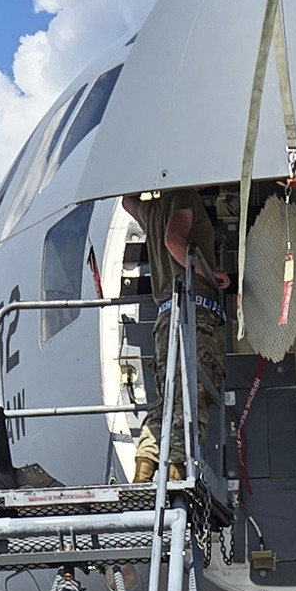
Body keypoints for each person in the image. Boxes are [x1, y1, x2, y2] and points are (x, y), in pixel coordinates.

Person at [121, 188, 230, 484]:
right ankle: (177, 467)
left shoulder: (152, 210)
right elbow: (173, 240)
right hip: (194, 312)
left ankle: (145, 463)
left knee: (168, 397)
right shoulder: (183, 197)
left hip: (167, 316)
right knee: (193, 393)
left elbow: (128, 202)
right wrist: (209, 275)